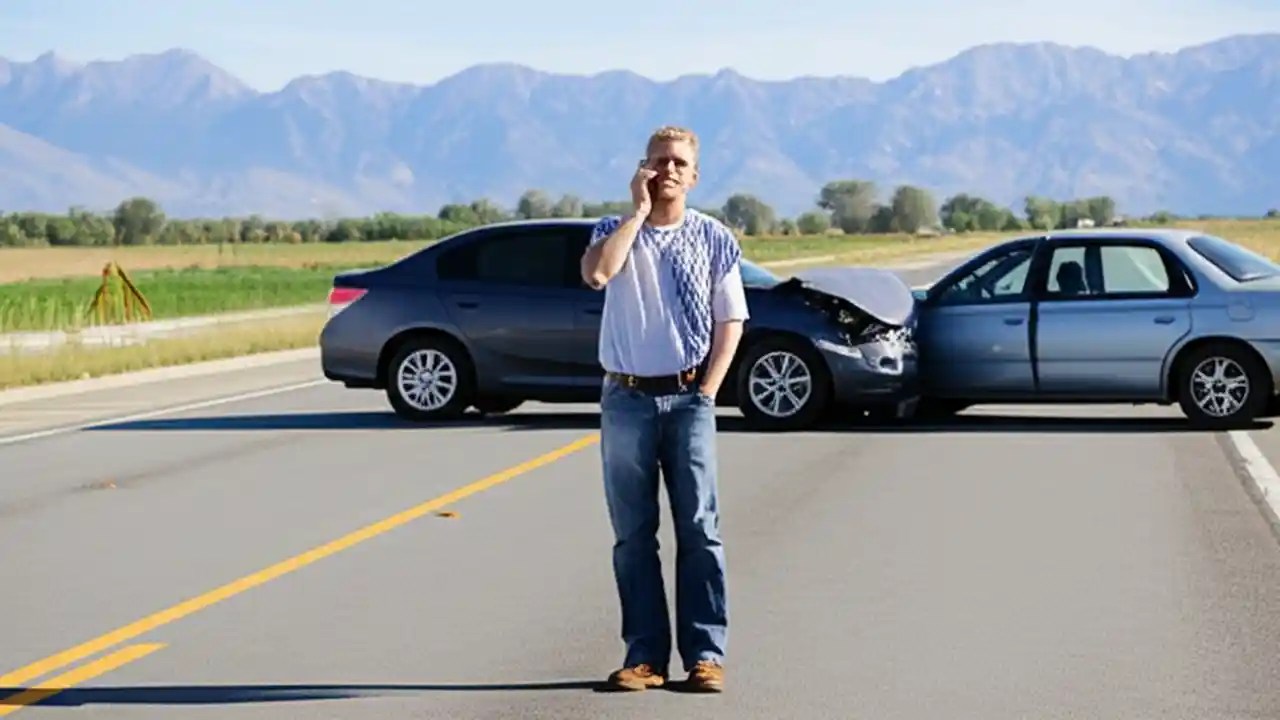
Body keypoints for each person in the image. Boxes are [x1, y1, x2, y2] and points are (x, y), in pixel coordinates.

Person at [579, 125, 748, 693]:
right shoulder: (612, 230)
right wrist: (636, 211)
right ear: (642, 169)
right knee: (633, 534)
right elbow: (599, 274)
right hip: (626, 397)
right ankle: (644, 656)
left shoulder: (714, 238)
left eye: (678, 163)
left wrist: (707, 392)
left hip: (688, 397)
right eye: (658, 162)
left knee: (700, 528)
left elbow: (732, 322)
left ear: (694, 175)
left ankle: (705, 654)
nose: (668, 170)